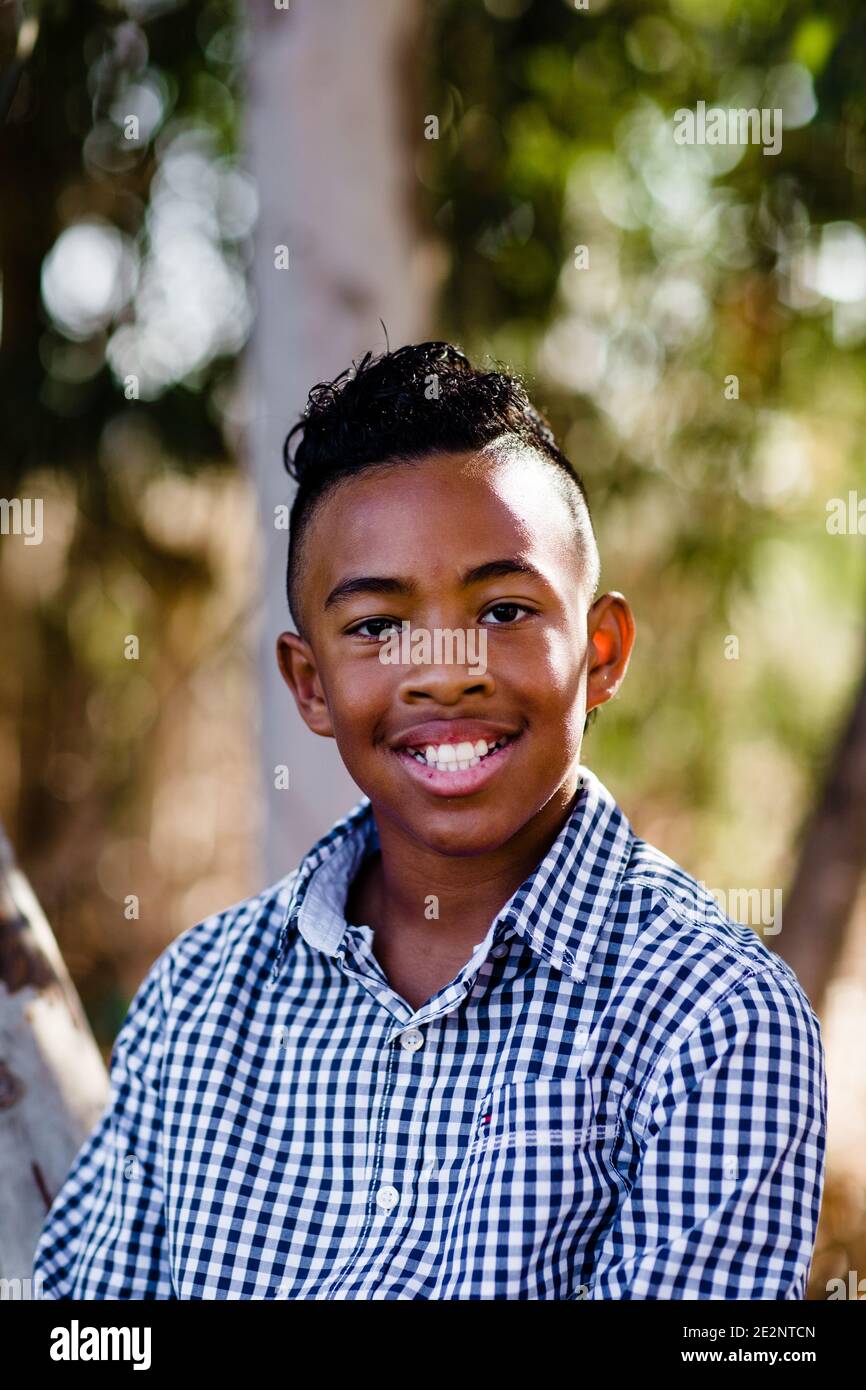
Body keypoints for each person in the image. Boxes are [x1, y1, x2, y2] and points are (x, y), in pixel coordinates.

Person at [33, 341, 827, 1299]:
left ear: (602, 651)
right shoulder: (197, 1002)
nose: (448, 667)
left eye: (502, 609)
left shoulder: (708, 1019)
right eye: (376, 627)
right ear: (310, 683)